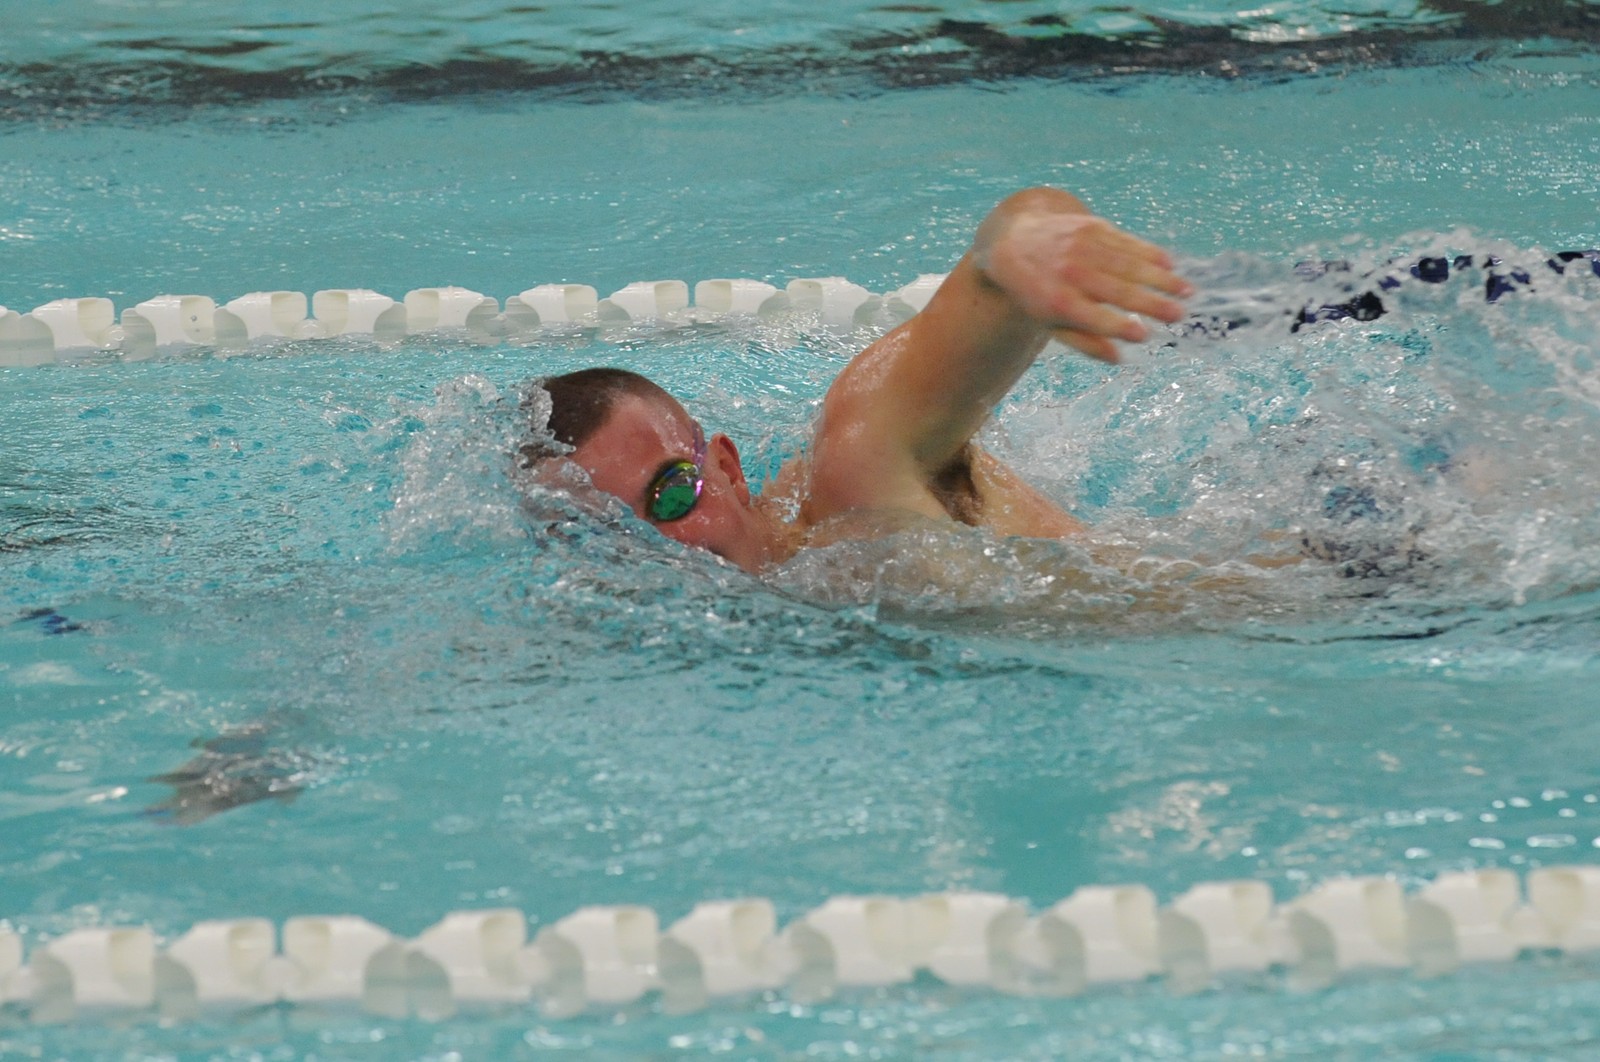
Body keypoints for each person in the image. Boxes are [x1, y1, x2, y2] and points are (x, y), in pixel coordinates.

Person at [519, 186, 1193, 574]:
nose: (660, 544)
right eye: (604, 538)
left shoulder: (851, 487)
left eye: (670, 496)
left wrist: (1025, 249)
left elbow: (1005, 254)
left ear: (725, 466)